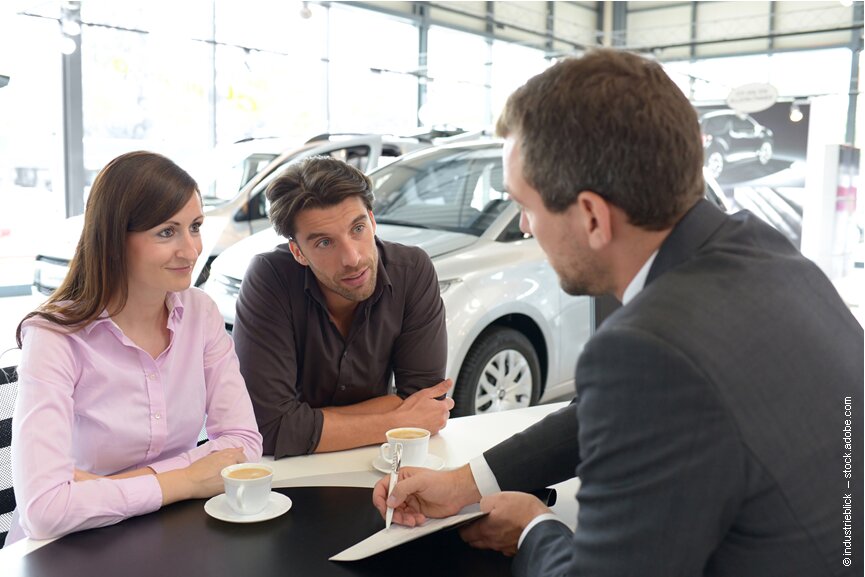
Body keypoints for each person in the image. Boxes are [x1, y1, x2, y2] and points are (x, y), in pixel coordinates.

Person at [374, 49, 863, 576]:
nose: (524, 226)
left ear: (591, 216)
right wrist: (466, 482)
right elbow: (604, 412)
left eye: (527, 205)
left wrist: (535, 530)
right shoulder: (764, 251)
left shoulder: (645, 348)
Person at [7, 151, 263, 545]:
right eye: (167, 232)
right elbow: (45, 510)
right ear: (113, 239)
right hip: (67, 547)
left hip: (167, 531)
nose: (191, 250)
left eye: (194, 227)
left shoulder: (200, 313)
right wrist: (188, 479)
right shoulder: (54, 336)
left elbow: (244, 443)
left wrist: (114, 487)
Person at [233, 156, 453, 458]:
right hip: (290, 475)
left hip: (378, 462)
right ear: (298, 252)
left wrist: (305, 421)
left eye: (358, 228)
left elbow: (426, 403)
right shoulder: (270, 278)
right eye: (325, 243)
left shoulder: (412, 270)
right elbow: (269, 427)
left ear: (373, 221)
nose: (352, 258)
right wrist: (396, 420)